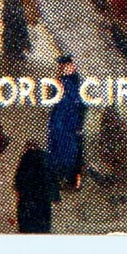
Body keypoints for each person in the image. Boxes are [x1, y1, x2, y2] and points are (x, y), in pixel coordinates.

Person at [46, 55, 86, 191]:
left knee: (70, 151)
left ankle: (71, 179)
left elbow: (79, 103)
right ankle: (62, 177)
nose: (64, 69)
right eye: (63, 67)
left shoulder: (75, 83)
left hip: (68, 122)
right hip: (60, 122)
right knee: (59, 149)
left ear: (72, 67)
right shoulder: (62, 82)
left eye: (67, 66)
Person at [13, 139, 58, 233]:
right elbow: (52, 179)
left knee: (27, 221)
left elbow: (19, 179)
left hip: (28, 197)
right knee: (42, 222)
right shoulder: (46, 159)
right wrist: (55, 196)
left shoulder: (25, 160)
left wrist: (18, 191)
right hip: (43, 197)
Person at [0, 0, 30, 71]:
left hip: (15, 17)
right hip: (13, 17)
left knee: (16, 35)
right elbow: (10, 4)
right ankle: (12, 55)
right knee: (13, 35)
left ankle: (15, 54)